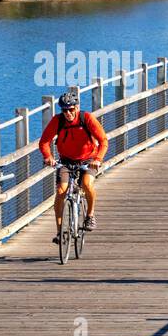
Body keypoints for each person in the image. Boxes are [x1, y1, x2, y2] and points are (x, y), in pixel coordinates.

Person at [38, 92, 107, 243]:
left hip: (88, 159)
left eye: (71, 109)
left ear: (77, 107)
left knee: (87, 184)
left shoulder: (86, 118)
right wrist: (48, 157)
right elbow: (44, 142)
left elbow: (103, 140)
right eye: (64, 110)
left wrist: (98, 159)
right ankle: (59, 232)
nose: (68, 113)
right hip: (66, 161)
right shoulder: (58, 121)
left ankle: (90, 216)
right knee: (61, 191)